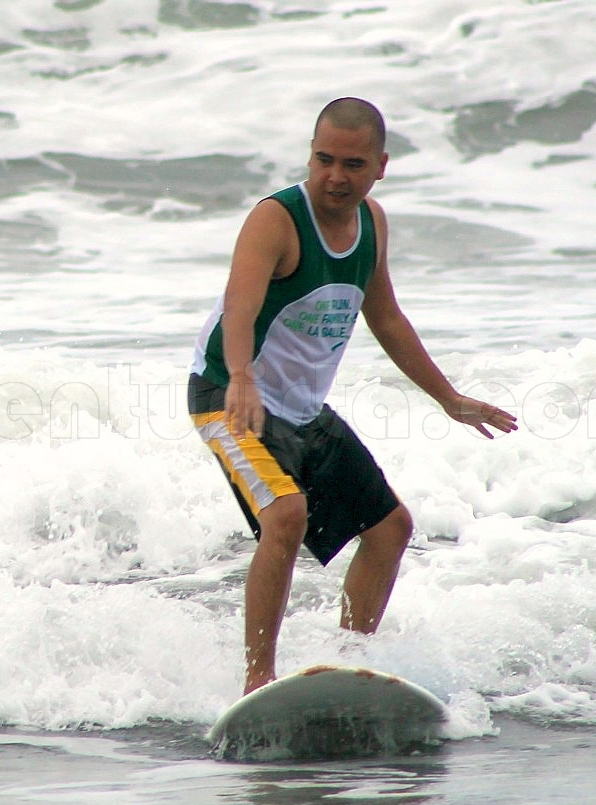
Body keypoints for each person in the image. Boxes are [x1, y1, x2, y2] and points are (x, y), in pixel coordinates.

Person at [187, 97, 518, 695]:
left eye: (353, 163)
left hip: (302, 410)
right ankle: (257, 681)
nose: (335, 176)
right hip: (226, 393)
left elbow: (385, 316)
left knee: (390, 529)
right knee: (285, 517)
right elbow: (240, 304)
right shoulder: (277, 219)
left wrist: (448, 397)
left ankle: (349, 664)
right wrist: (240, 373)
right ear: (309, 156)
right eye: (324, 159)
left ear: (380, 166)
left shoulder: (372, 224)